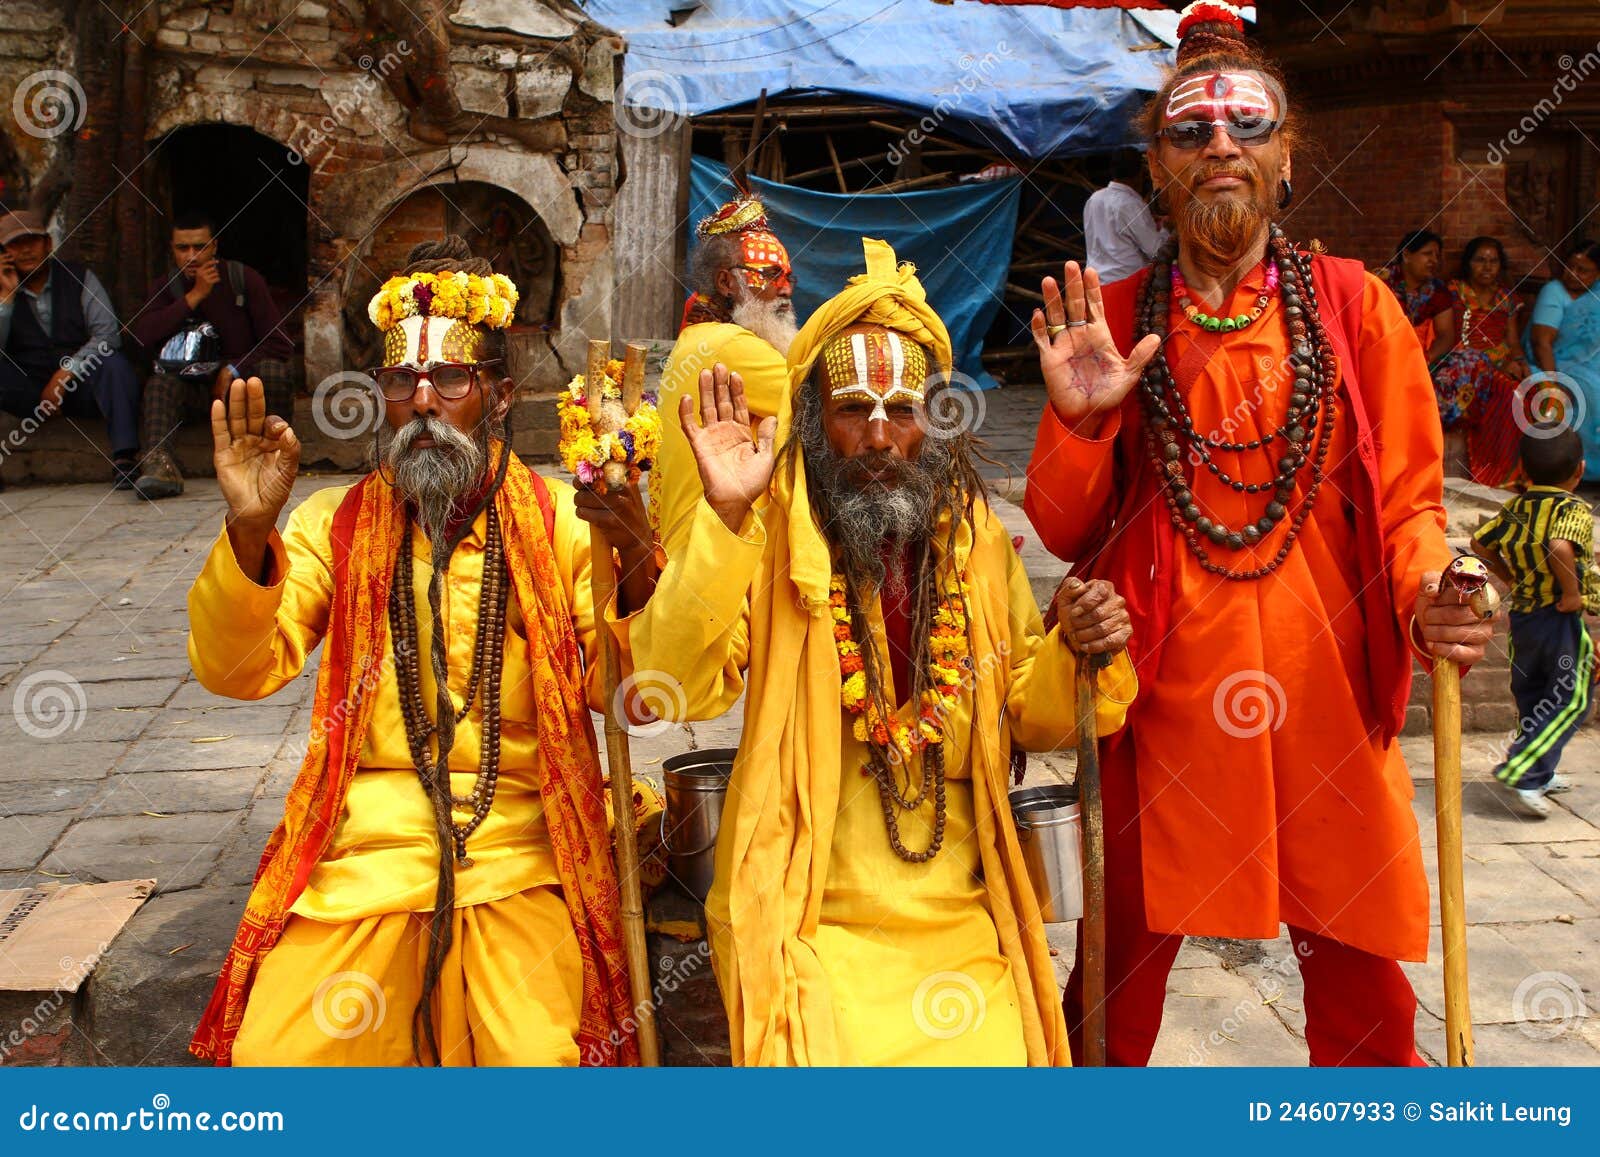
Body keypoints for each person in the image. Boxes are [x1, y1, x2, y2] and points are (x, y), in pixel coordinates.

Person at [1022, 2, 1494, 1067]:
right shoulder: (1119, 313)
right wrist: (1084, 415)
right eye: (1190, 132)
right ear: (1159, 166)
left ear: (1286, 158)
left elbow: (1413, 506)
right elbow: (1059, 521)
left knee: (1363, 985)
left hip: (1322, 699)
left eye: (1245, 127)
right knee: (1113, 983)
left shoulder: (1356, 306)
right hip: (1160, 702)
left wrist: (1436, 593)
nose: (1219, 146)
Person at [624, 237, 1137, 1066]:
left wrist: (1076, 652)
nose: (877, 435)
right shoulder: (773, 535)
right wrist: (720, 524)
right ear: (815, 425)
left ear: (929, 423)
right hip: (808, 907)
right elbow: (670, 690)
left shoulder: (974, 542)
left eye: (901, 409)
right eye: (851, 409)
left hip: (964, 907)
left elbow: (1034, 720)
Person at [187, 237, 658, 1067]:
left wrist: (641, 558)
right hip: (370, 849)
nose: (427, 403)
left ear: (502, 394)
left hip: (522, 846)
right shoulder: (335, 523)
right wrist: (250, 530)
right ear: (383, 397)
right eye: (404, 382)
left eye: (452, 379)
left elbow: (636, 695)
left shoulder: (559, 524)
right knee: (282, 1063)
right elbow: (235, 671)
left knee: (541, 1069)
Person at [655, 194, 797, 548]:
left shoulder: (701, 334)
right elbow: (824, 400)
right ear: (725, 283)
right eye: (770, 275)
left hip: (695, 538)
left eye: (789, 277)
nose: (786, 288)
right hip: (713, 545)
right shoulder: (728, 344)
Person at [1470, 428, 1597, 818]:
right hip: (1558, 618)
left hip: (1524, 621)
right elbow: (1559, 546)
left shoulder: (1517, 508)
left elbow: (1479, 543)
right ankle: (1524, 771)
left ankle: (1542, 771)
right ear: (1580, 470)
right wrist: (1572, 595)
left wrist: (1510, 580)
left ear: (1523, 469)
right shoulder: (1572, 510)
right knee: (1572, 698)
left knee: (1533, 694)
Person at [129, 212, 297, 499]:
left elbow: (280, 343)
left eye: (200, 247)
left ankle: (276, 454)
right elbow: (140, 338)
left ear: (214, 246)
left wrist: (234, 368)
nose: (192, 256)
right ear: (172, 249)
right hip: (192, 392)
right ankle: (160, 466)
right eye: (183, 249)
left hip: (239, 392)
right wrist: (193, 297)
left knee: (274, 371)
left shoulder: (242, 279)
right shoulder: (166, 286)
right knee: (159, 385)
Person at [0, 209, 141, 488]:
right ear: (4, 253)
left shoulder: (79, 278)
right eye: (16, 244)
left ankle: (126, 458)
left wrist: (64, 376)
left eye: (33, 241)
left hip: (78, 385)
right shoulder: (2, 290)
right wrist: (6, 300)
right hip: (28, 391)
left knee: (113, 362)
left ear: (48, 244)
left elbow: (107, 335)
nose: (26, 250)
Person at [1430, 235, 1526, 486]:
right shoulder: (1453, 291)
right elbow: (1450, 337)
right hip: (1466, 362)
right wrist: (1497, 364)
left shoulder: (1506, 297)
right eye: (1480, 260)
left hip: (1503, 360)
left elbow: (1513, 341)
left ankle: (1513, 475)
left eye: (1493, 261)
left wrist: (1520, 361)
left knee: (1534, 391)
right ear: (1468, 263)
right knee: (1505, 392)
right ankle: (1487, 473)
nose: (1487, 267)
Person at [1525, 240, 1600, 480]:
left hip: (1592, 364)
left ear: (1597, 274)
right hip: (1556, 365)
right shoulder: (1554, 292)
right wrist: (1553, 383)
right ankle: (1580, 470)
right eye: (1569, 267)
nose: (1573, 274)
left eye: (1583, 270)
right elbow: (1542, 343)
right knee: (1589, 393)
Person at [1083, 149, 1169, 284]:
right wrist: (1166, 228)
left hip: (1097, 284)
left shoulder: (1094, 199)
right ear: (1140, 175)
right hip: (1125, 283)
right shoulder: (1131, 204)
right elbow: (1156, 251)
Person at [1377, 229, 1452, 354]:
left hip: (1424, 361)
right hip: (1385, 354)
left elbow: (1446, 336)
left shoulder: (1438, 291)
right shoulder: (1382, 284)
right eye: (1427, 254)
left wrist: (1422, 363)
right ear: (1406, 255)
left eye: (1437, 256)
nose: (1434, 260)